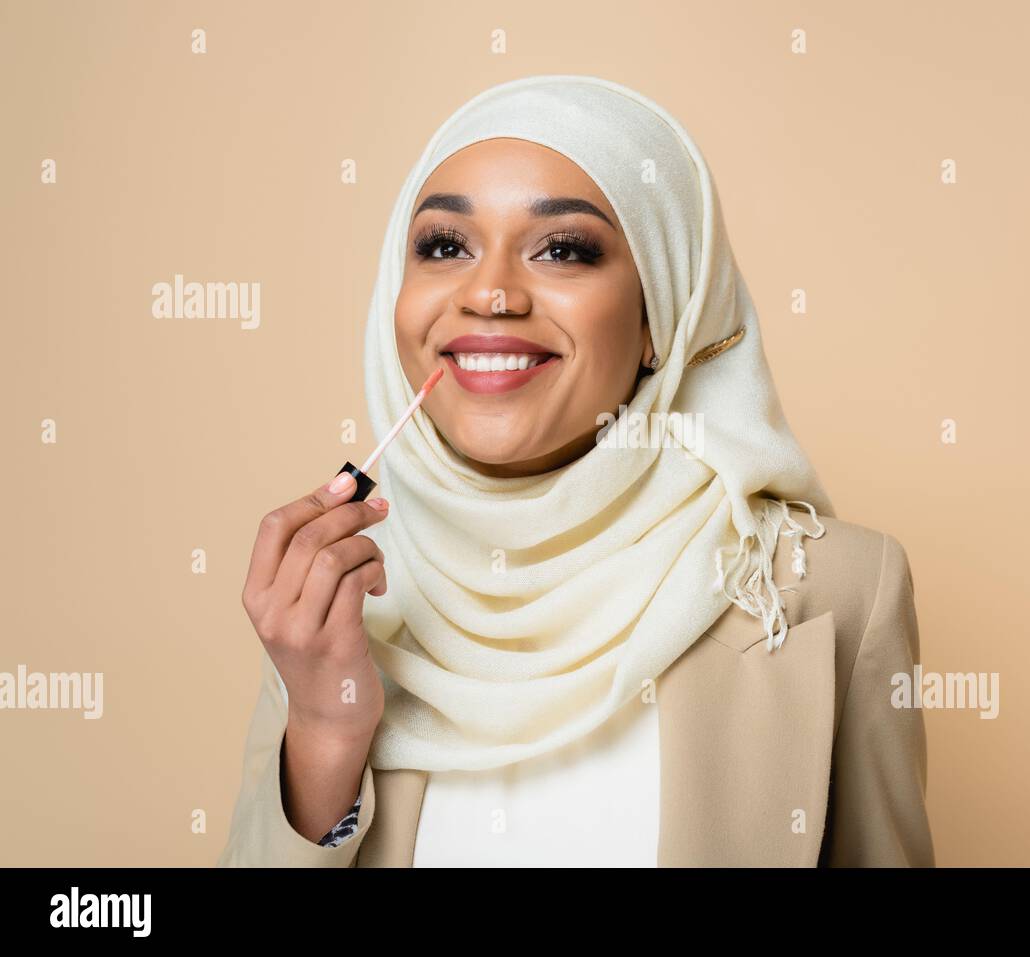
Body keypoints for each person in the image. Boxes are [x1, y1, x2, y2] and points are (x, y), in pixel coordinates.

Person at [218, 74, 935, 867]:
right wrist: (324, 725)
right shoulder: (336, 603)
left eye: (563, 249)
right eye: (445, 246)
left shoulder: (830, 591)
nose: (489, 293)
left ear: (661, 313)